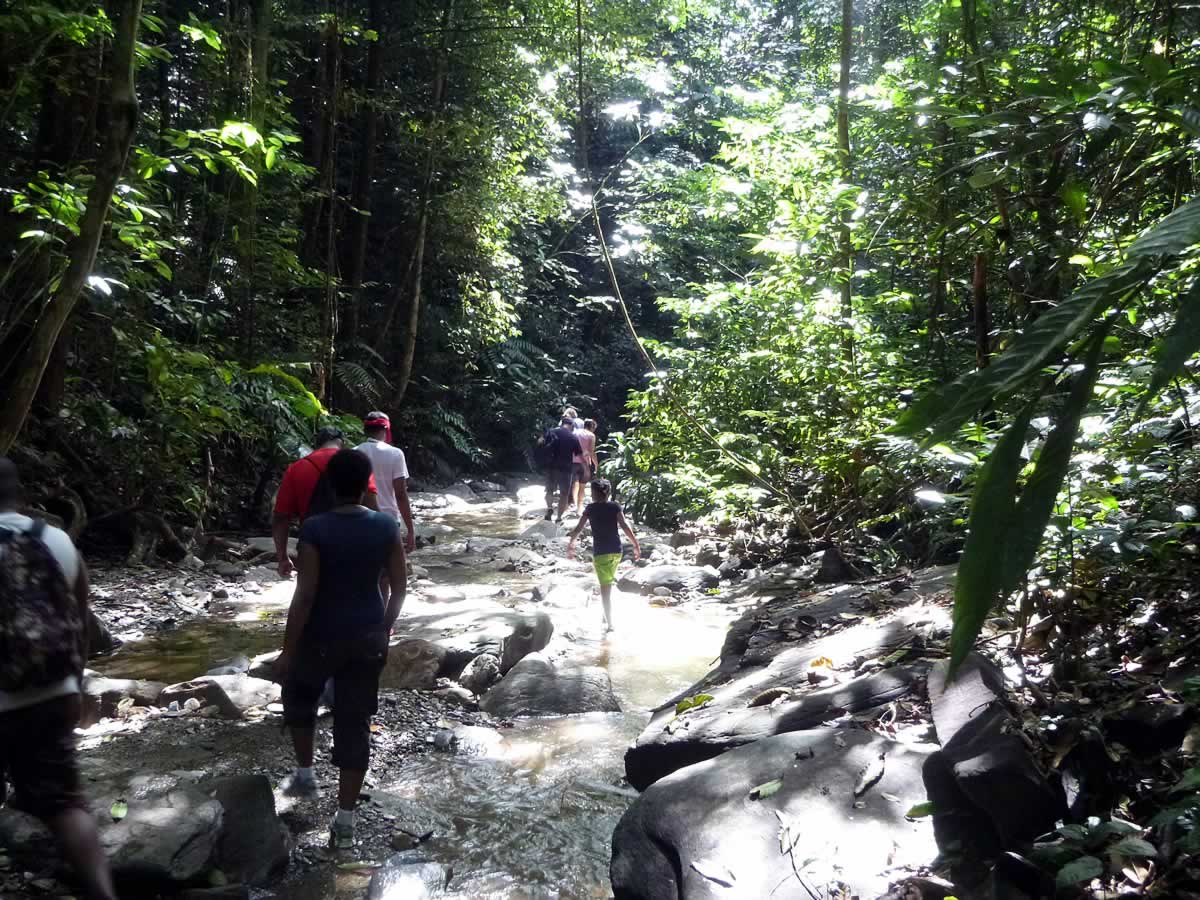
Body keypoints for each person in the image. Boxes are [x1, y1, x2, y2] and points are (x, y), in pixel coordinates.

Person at [275, 449, 406, 850]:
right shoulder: (386, 527)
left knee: (299, 695)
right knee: (354, 722)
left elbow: (307, 593)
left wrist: (287, 649)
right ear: (366, 484)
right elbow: (399, 586)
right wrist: (383, 628)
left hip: (319, 636)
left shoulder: (315, 528)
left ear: (329, 485)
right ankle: (345, 820)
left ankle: (305, 773)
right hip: (366, 636)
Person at [0, 458, 117, 900]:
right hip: (52, 692)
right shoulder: (57, 540)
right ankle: (103, 893)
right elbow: (82, 621)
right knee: (66, 803)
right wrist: (76, 684)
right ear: (21, 496)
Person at [273, 426, 377, 578]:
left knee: (310, 597)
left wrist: (282, 558)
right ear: (341, 442)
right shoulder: (356, 463)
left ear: (317, 444)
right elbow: (372, 508)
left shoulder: (296, 468)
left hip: (311, 547)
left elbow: (281, 517)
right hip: (355, 547)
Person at [566, 478, 640, 632]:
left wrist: (571, 543)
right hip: (616, 551)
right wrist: (635, 544)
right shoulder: (615, 507)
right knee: (608, 584)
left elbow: (579, 527)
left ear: (593, 493)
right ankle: (606, 615)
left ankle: (610, 623)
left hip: (601, 553)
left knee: (605, 589)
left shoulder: (591, 508)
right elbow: (625, 526)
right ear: (609, 492)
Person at [354, 412, 416, 554]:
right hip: (389, 520)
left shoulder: (354, 452)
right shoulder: (395, 454)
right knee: (388, 570)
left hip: (360, 519)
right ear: (387, 429)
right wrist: (410, 531)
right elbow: (400, 494)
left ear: (365, 430)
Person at [542, 415, 581, 524]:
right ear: (571, 425)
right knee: (564, 494)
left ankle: (549, 508)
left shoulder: (551, 432)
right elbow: (578, 453)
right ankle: (559, 518)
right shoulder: (573, 437)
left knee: (549, 490)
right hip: (565, 468)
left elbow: (542, 444)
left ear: (561, 423)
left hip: (550, 467)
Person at [571, 418, 598, 514]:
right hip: (584, 464)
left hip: (572, 462)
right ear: (592, 427)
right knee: (582, 486)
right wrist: (596, 465)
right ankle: (579, 507)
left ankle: (574, 503)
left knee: (574, 483)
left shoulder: (574, 433)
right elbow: (591, 451)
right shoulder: (591, 435)